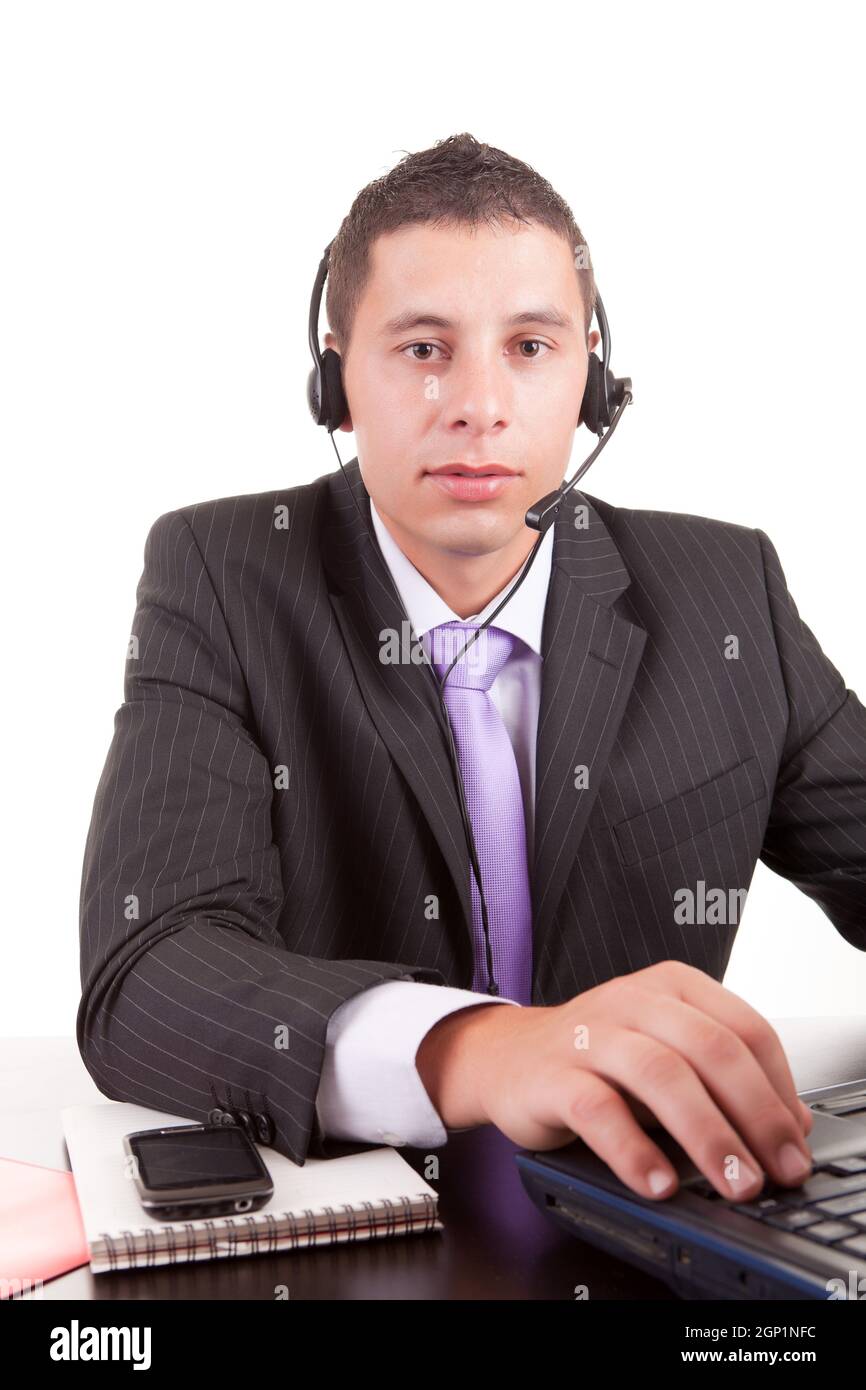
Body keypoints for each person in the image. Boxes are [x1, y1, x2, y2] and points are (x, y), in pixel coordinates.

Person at [77, 133, 866, 1206]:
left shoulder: (724, 587)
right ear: (333, 379)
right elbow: (148, 974)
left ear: (593, 375)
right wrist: (483, 1050)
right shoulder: (222, 573)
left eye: (530, 348)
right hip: (365, 1242)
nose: (479, 406)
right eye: (421, 348)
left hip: (664, 1217)